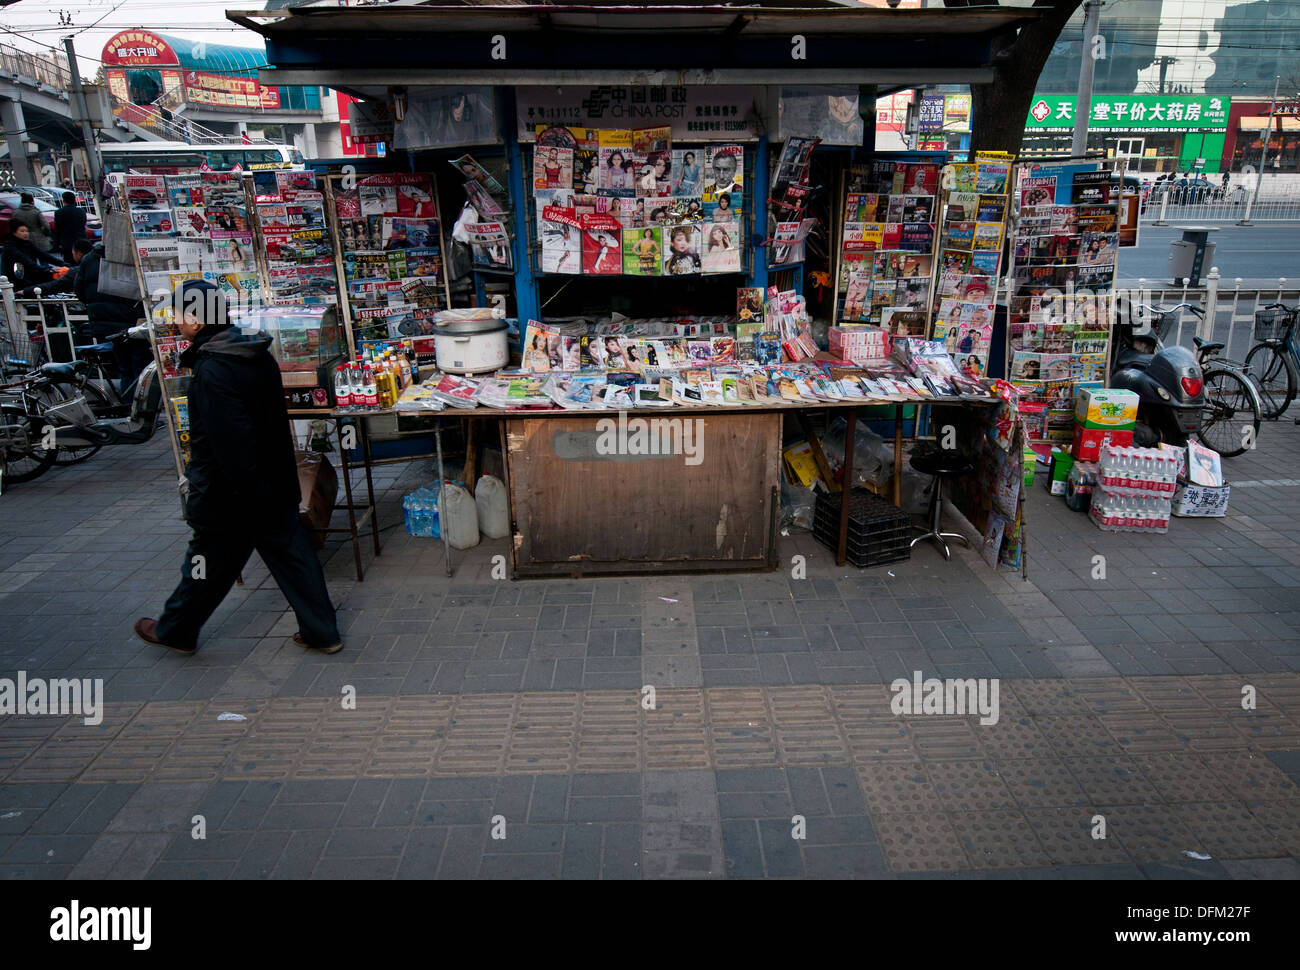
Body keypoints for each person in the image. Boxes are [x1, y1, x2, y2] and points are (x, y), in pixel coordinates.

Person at [135, 279, 342, 657]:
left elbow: (231, 445)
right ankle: (322, 632)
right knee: (292, 558)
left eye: (179, 315)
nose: (175, 322)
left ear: (197, 319)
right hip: (272, 484)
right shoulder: (254, 353)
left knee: (205, 563)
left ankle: (176, 629)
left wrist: (236, 497)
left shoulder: (215, 369)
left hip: (234, 494)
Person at [3, 222, 66, 287]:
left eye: (27, 231)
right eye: (22, 231)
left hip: (31, 273)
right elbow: (23, 258)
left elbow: (42, 254)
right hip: (17, 277)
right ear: (14, 232)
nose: (25, 233)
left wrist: (61, 263)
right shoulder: (9, 246)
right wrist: (38, 267)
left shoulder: (28, 243)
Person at [53, 191, 88, 261]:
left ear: (63, 200)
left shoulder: (59, 213)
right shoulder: (81, 211)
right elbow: (83, 225)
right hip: (82, 241)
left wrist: (57, 244)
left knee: (69, 265)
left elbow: (58, 230)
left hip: (67, 244)